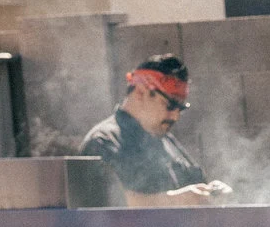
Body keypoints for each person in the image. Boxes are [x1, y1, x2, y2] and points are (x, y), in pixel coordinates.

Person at [80, 54, 229, 206]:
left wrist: (211, 193)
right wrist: (175, 200)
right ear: (140, 92)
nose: (175, 116)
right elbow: (107, 207)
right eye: (170, 105)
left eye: (180, 108)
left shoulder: (167, 141)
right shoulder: (103, 142)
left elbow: (196, 186)